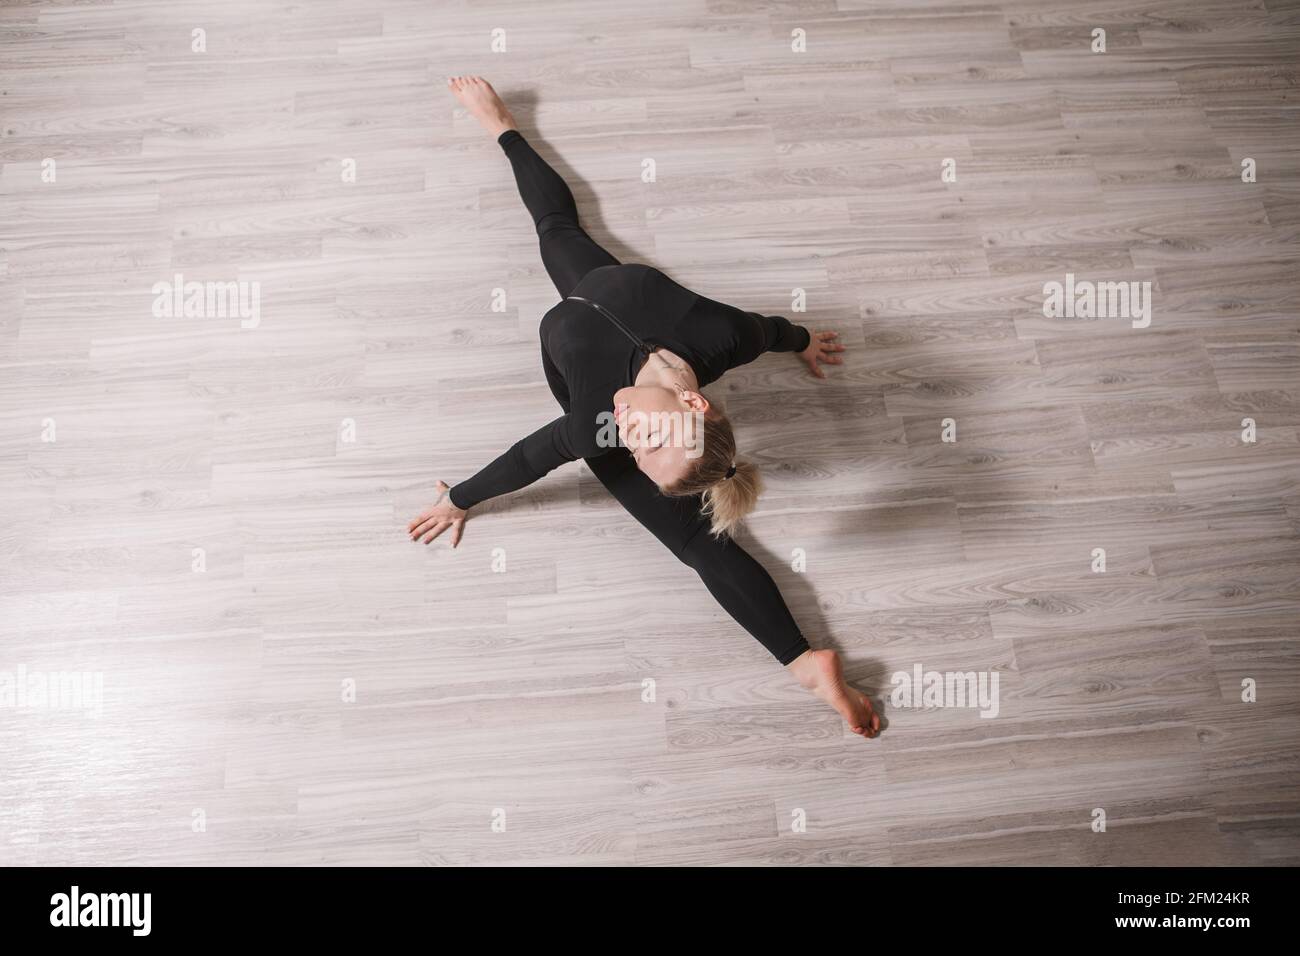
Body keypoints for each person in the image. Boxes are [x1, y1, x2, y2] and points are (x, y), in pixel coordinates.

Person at [409, 76, 879, 739]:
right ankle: (502, 124)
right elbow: (768, 330)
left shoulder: (600, 422)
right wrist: (801, 339)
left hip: (591, 312)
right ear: (696, 401)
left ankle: (805, 661)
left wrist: (457, 499)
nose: (628, 438)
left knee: (696, 540)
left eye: (641, 456)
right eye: (652, 439)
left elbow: (530, 456)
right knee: (555, 224)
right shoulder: (723, 335)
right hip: (594, 293)